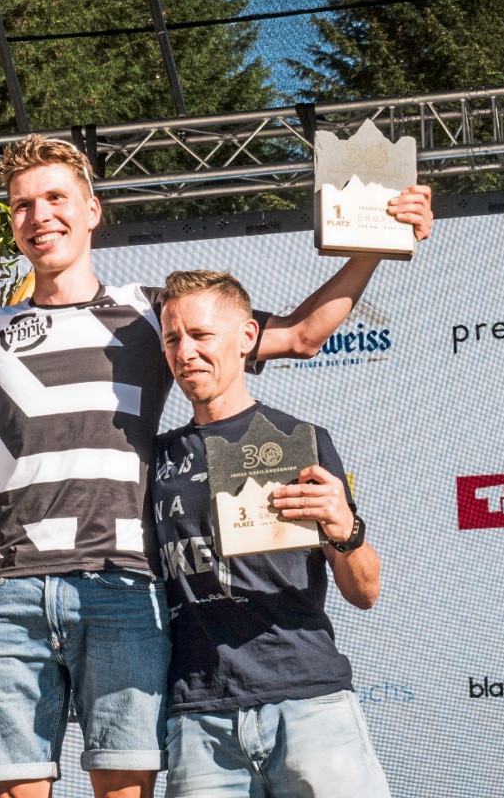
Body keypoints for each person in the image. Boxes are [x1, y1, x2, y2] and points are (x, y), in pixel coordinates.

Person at [0, 134, 430, 798]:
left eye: (56, 198)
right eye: (22, 205)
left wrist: (378, 240)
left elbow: (304, 335)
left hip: (120, 585)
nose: (39, 216)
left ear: (92, 210)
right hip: (11, 589)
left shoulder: (150, 314)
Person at [153, 269, 388, 798]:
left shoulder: (302, 441)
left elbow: (365, 591)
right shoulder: (153, 459)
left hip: (309, 703)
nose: (185, 351)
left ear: (247, 338)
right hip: (199, 719)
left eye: (201, 334)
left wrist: (344, 530)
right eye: (172, 338)